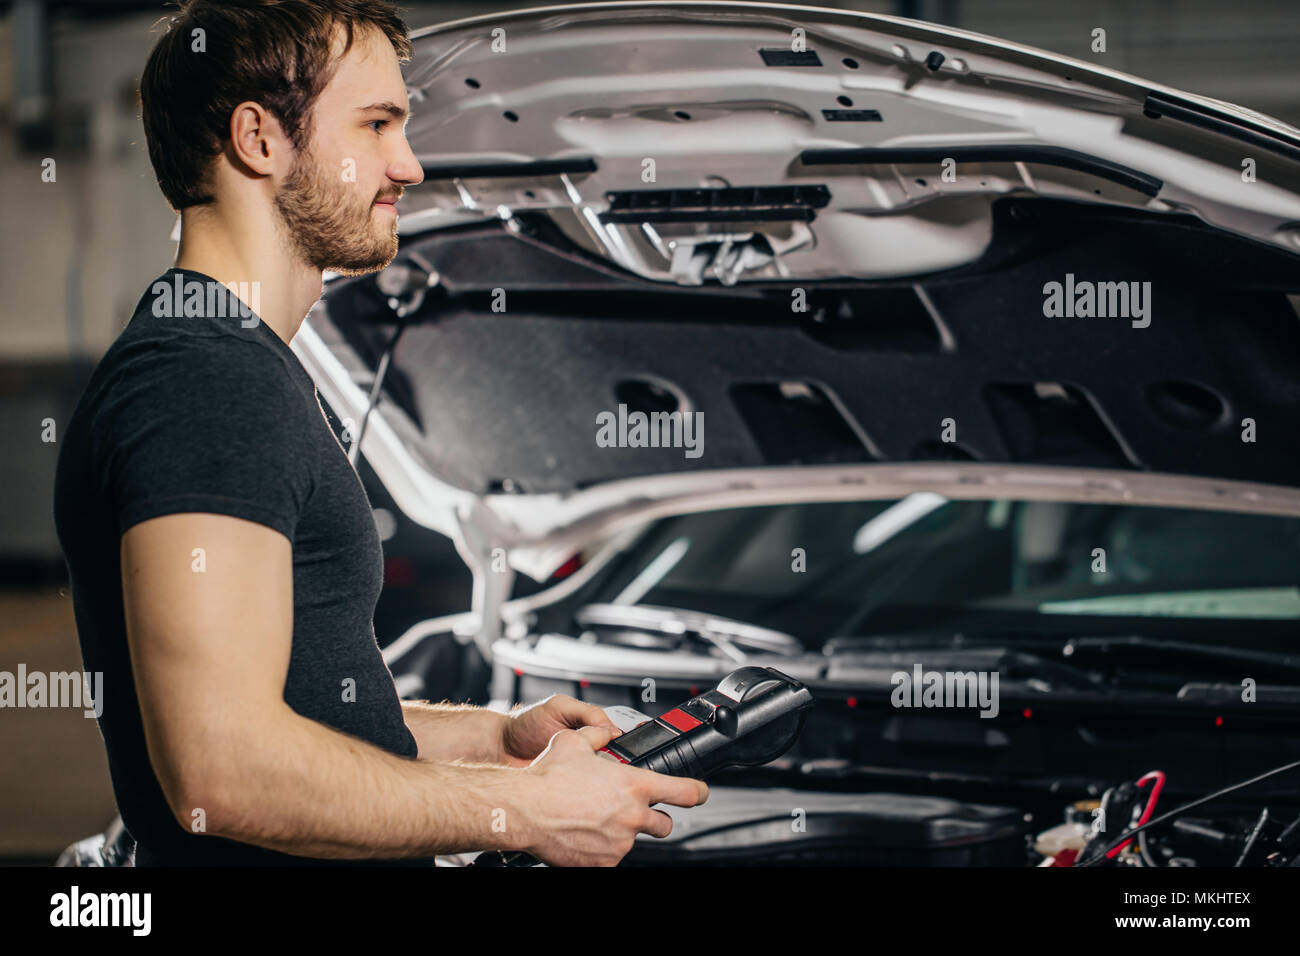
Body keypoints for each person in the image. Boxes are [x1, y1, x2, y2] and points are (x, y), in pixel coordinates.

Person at [52, 0, 706, 866]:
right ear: (259, 140)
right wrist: (526, 811)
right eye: (377, 123)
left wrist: (500, 740)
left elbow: (314, 718)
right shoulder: (206, 381)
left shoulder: (230, 363)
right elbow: (224, 772)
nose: (408, 162)